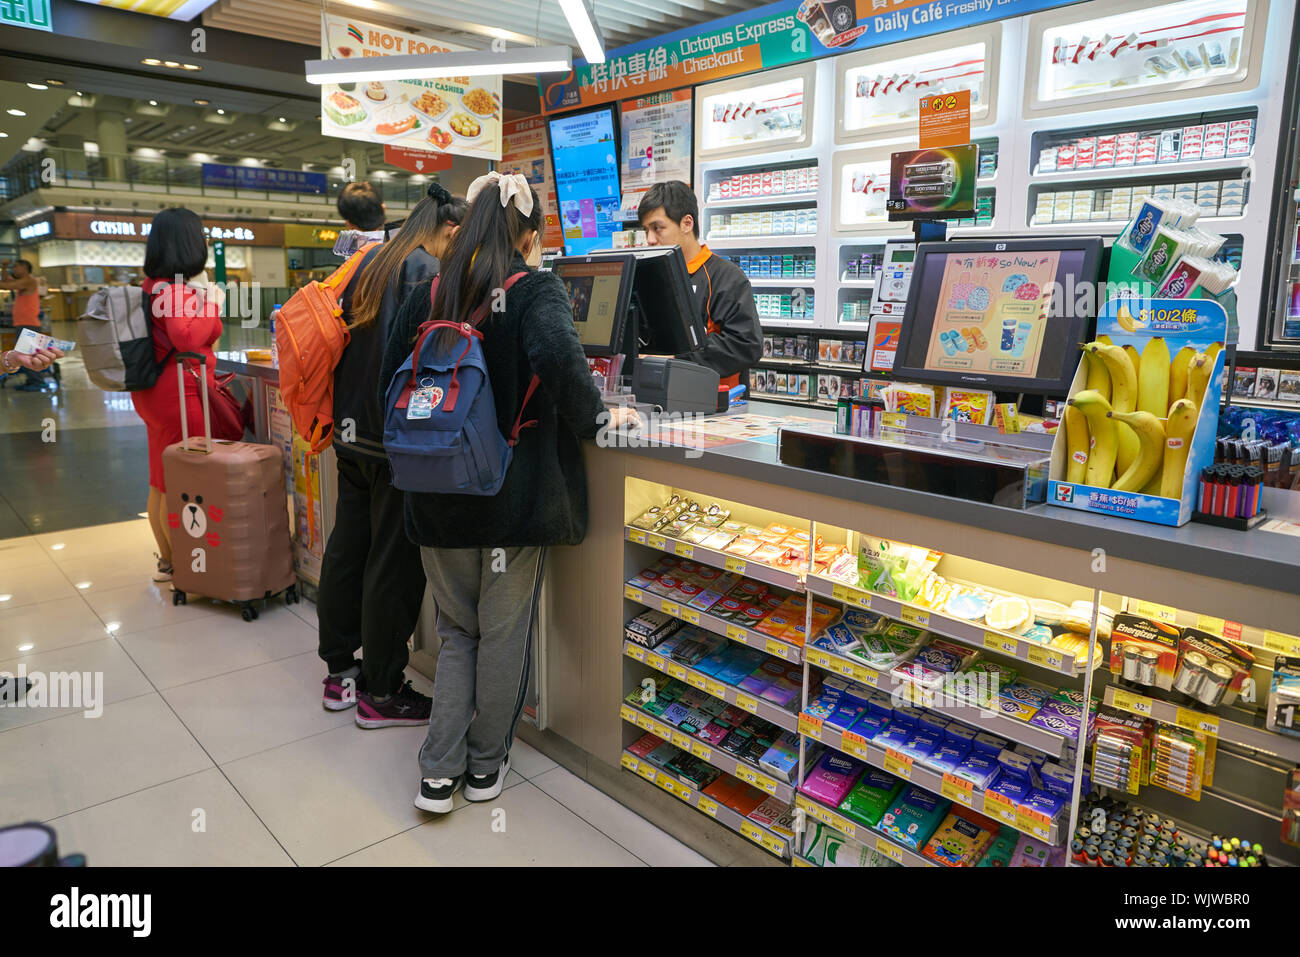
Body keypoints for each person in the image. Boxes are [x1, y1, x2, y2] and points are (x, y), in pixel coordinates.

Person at [380, 172, 638, 812]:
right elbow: (558, 356)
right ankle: (485, 768)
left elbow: (392, 379)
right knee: (501, 636)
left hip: (435, 496)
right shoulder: (534, 289)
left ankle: (437, 774)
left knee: (456, 632)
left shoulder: (430, 290)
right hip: (510, 501)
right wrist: (600, 422)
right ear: (528, 234)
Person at [317, 183, 467, 727]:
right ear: (451, 230)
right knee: (392, 562)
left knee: (348, 546)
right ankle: (381, 691)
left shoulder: (370, 260)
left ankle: (341, 673)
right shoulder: (425, 270)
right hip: (393, 441)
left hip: (350, 430)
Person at [129, 208, 233, 584]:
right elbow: (187, 337)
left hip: (154, 391)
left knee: (161, 478)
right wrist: (213, 303)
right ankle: (187, 566)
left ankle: (169, 562)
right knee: (181, 479)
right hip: (178, 393)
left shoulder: (152, 284)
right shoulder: (172, 289)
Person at [637, 181, 763, 391]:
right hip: (657, 396)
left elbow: (746, 344)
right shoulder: (648, 277)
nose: (650, 239)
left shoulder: (727, 277)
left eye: (657, 228)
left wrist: (677, 358)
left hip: (715, 408)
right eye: (646, 230)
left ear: (687, 223)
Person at [0, 259, 55, 391]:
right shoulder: (23, 281)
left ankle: (37, 382)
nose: (14, 269)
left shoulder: (29, 281)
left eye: (16, 267)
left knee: (29, 355)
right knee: (25, 354)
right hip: (23, 324)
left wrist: (5, 269)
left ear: (25, 268)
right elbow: (7, 282)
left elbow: (5, 286)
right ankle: (33, 380)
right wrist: (4, 268)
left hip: (29, 324)